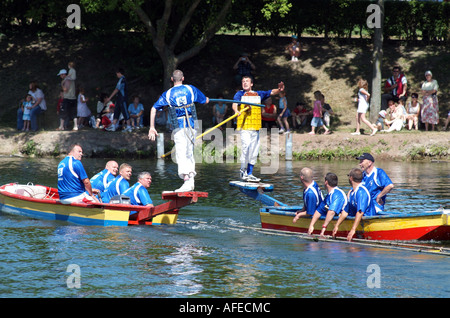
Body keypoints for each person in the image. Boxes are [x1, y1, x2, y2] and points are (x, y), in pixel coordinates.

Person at [148, 69, 209, 192]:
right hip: (192, 125)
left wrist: (152, 127)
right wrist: (207, 99)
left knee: (181, 152)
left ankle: (186, 180)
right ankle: (191, 179)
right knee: (189, 151)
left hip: (179, 126)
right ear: (183, 78)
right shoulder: (191, 89)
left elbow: (153, 109)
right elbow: (205, 101)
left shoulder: (168, 94)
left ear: (172, 79)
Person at [232, 76, 284, 182]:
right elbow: (234, 104)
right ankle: (243, 171)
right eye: (243, 81)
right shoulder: (239, 94)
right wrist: (236, 111)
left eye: (247, 81)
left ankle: (249, 173)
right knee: (246, 146)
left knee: (254, 150)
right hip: (245, 127)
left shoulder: (258, 94)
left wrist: (279, 90)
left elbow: (271, 92)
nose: (245, 83)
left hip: (255, 127)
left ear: (251, 84)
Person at [332, 168, 376, 241]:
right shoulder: (352, 192)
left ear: (351, 178)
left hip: (368, 222)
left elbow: (360, 212)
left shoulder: (361, 192)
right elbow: (345, 212)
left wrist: (353, 229)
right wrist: (336, 226)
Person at [106, 68, 131, 132]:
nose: (116, 74)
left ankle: (129, 127)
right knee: (116, 111)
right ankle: (113, 126)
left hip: (122, 99)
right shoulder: (120, 80)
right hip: (119, 99)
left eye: (117, 73)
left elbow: (117, 89)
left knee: (125, 112)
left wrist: (109, 98)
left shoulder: (122, 80)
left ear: (119, 73)